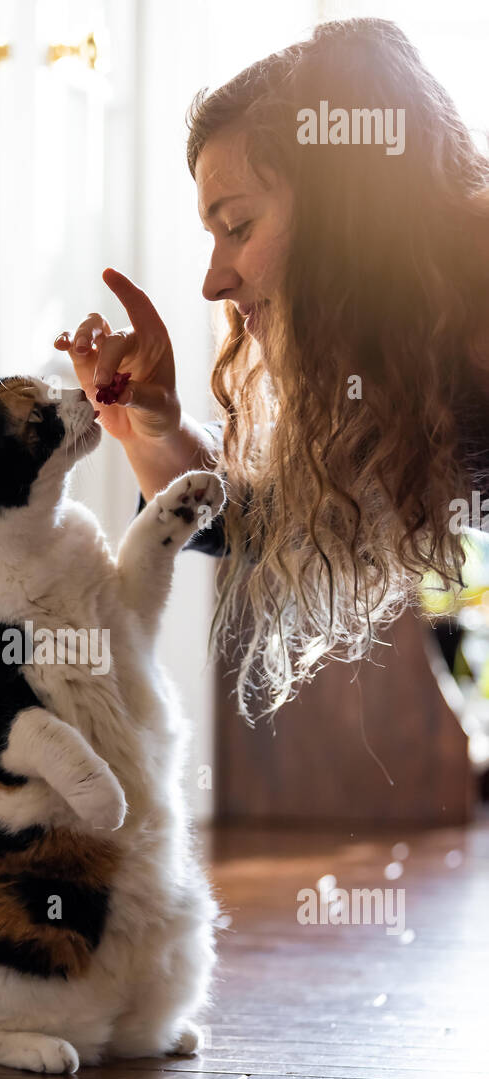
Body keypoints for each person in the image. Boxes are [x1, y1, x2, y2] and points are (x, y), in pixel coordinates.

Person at [54, 17, 489, 716]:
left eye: (238, 227)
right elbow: (258, 522)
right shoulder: (408, 355)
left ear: (343, 208)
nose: (213, 282)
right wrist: (151, 423)